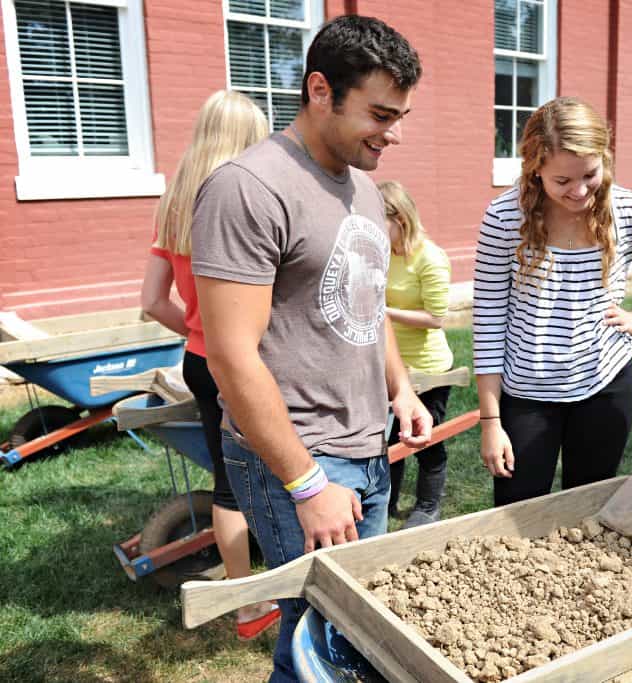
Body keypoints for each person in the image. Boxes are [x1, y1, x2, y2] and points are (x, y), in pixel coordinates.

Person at [190, 16, 430, 682]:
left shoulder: (362, 184)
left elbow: (367, 301)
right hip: (298, 458)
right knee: (320, 642)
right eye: (380, 114)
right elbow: (230, 357)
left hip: (367, 447)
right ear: (320, 91)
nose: (394, 133)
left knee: (353, 635)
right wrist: (307, 482)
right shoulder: (247, 188)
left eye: (401, 116)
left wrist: (401, 388)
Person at [473, 96, 632, 506]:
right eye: (562, 180)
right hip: (526, 394)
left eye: (590, 175)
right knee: (517, 515)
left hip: (605, 386)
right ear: (535, 169)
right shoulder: (505, 217)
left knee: (588, 509)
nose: (579, 191)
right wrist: (491, 421)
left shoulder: (627, 210)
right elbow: (489, 321)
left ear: (604, 159)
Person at [140, 89, 280, 640]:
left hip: (199, 360)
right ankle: (292, 586)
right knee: (282, 472)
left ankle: (246, 605)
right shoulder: (247, 197)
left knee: (228, 482)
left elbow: (153, 301)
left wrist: (200, 333)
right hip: (254, 360)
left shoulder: (174, 202)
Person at [379, 180, 455, 528]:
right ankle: (387, 503)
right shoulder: (383, 253)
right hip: (390, 365)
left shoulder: (430, 258)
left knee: (426, 439)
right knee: (390, 438)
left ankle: (428, 506)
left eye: (379, 220)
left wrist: (384, 312)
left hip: (428, 369)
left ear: (400, 219)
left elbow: (436, 317)